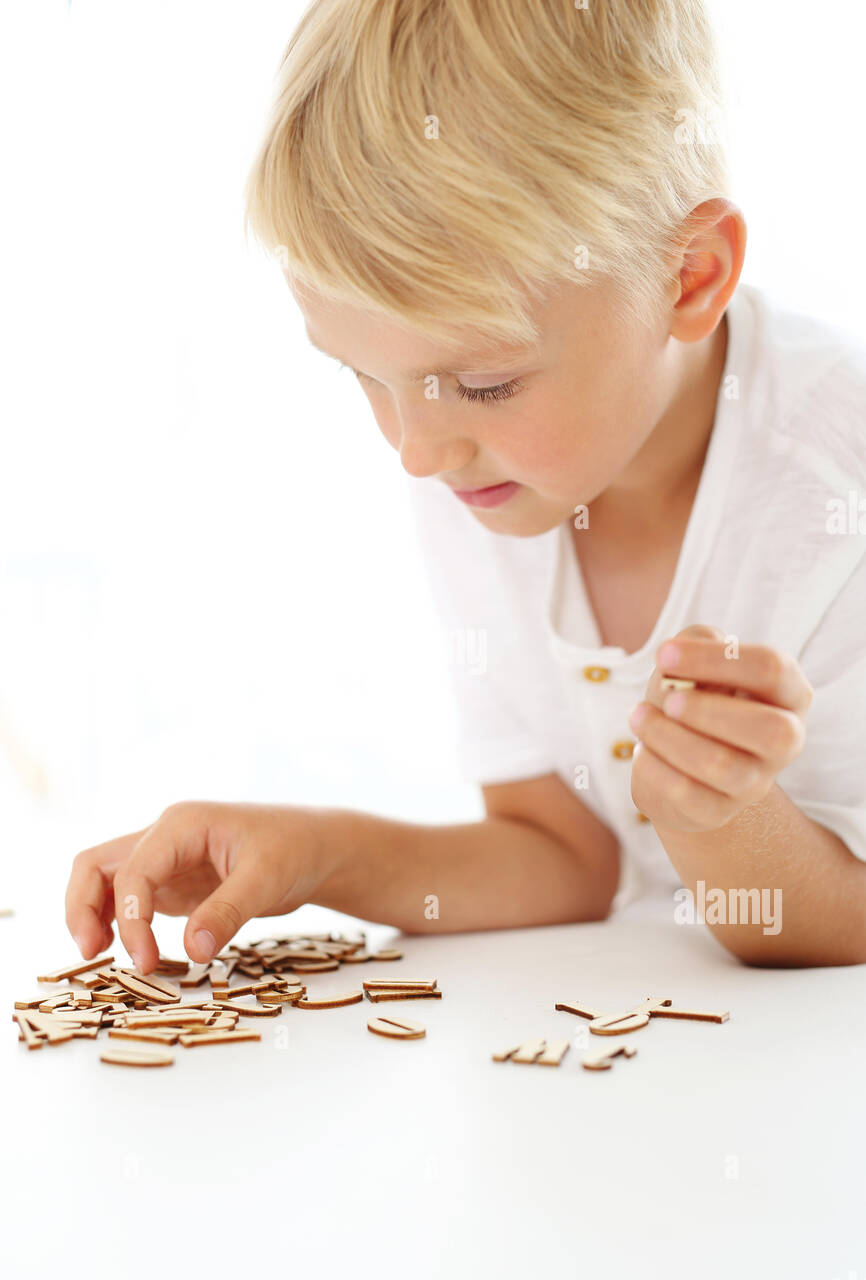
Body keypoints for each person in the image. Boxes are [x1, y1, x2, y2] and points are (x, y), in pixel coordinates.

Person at [65, 1, 866, 969]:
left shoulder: (830, 489)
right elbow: (561, 853)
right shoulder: (483, 461)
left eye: (485, 383)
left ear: (688, 278)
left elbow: (843, 919)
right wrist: (313, 855)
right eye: (361, 373)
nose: (413, 450)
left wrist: (720, 820)